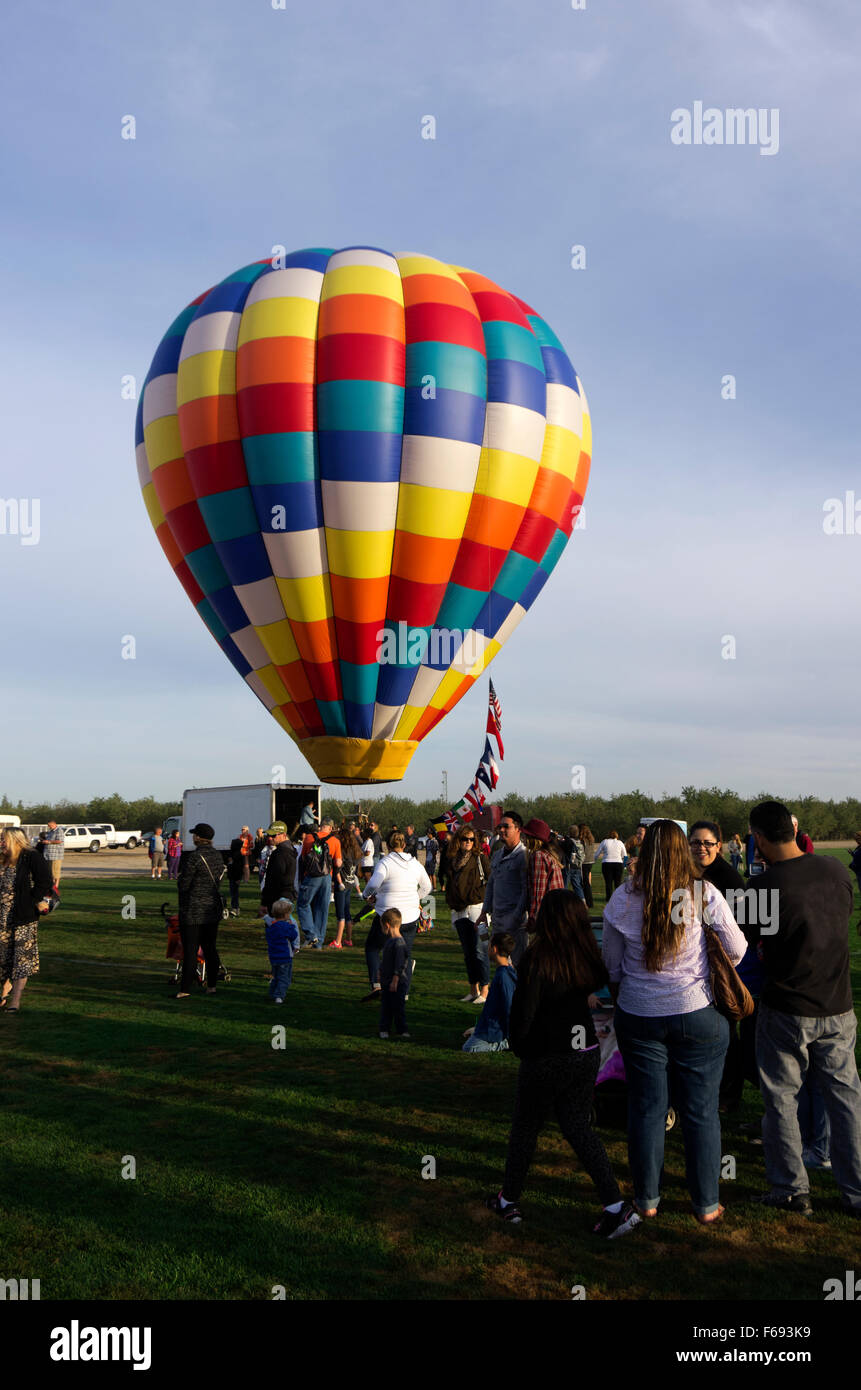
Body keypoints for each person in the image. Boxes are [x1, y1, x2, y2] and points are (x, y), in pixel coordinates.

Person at [601, 819, 747, 1224]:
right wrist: (706, 969)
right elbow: (737, 948)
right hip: (696, 1010)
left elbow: (611, 965)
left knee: (647, 1108)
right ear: (684, 851)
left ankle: (647, 1199)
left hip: (639, 1012)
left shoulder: (623, 898)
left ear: (644, 853)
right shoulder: (703, 893)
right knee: (701, 1111)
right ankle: (706, 1204)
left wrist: (630, 987)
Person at [486, 890, 639, 1238]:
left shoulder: (540, 958)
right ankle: (615, 1205)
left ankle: (508, 1198)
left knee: (526, 1127)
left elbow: (524, 1012)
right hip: (583, 1051)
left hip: (548, 1053)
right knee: (577, 1127)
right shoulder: (584, 955)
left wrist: (520, 1045)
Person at [747, 800, 861, 1216]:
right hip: (837, 1004)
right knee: (845, 1099)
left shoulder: (762, 888)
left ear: (758, 837)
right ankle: (856, 1190)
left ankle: (792, 1188)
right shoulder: (835, 871)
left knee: (781, 1098)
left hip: (786, 1007)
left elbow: (743, 942)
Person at [688, 820, 760, 1112]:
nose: (701, 848)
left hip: (723, 967)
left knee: (725, 1032)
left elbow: (743, 930)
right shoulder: (688, 873)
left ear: (719, 846)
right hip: (694, 967)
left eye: (708, 843)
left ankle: (729, 1094)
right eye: (696, 842)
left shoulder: (727, 878)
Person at [361, 832, 431, 1002]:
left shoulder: (385, 862)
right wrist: (415, 897)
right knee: (405, 954)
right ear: (404, 845)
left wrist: (366, 895)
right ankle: (403, 992)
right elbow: (427, 886)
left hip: (387, 913)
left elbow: (373, 883)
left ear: (388, 846)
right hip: (410, 915)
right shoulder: (414, 863)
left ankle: (377, 984)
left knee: (372, 947)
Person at [0, 827, 53, 1012]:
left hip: (23, 916)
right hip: (2, 916)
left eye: (4, 839)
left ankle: (15, 1001)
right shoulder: (3, 858)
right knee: (4, 956)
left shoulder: (31, 856)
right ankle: (5, 989)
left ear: (15, 840)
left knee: (21, 959)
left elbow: (45, 880)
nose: (1, 843)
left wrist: (31, 902)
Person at [176, 823, 226, 999]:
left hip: (193, 909)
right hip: (212, 908)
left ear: (198, 837)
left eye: (194, 835)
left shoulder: (194, 857)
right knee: (210, 948)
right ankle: (211, 986)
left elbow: (183, 884)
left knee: (191, 950)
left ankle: (185, 989)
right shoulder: (218, 856)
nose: (192, 837)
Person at [445, 825, 491, 1004]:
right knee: (468, 952)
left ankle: (485, 990)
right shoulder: (452, 859)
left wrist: (480, 895)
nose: (469, 843)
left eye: (472, 840)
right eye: (465, 839)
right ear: (459, 840)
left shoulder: (480, 858)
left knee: (481, 949)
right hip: (459, 910)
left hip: (477, 908)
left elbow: (490, 879)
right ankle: (474, 989)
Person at [478, 811, 528, 964]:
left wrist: (515, 917)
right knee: (499, 962)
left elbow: (526, 891)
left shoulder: (523, 856)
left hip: (514, 922)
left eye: (506, 826)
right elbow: (491, 883)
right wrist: (484, 911)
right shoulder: (498, 854)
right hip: (497, 918)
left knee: (517, 965)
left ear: (518, 829)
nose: (501, 830)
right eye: (500, 826)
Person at [462, 932, 517, 1052]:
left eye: (489, 945)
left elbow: (509, 1006)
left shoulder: (503, 976)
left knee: (469, 1048)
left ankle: (505, 1044)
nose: (487, 948)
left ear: (495, 949)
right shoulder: (505, 971)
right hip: (489, 1025)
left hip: (494, 1029)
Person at [297, 818, 342, 949]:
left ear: (320, 826)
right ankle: (319, 942)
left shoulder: (309, 838)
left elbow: (304, 857)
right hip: (327, 876)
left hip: (311, 876)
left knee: (303, 904)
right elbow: (338, 862)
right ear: (331, 828)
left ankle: (311, 935)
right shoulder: (335, 841)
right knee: (322, 909)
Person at [524, 819, 565, 933]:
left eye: (526, 836)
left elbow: (538, 892)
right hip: (556, 911)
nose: (524, 839)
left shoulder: (538, 856)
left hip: (547, 914)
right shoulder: (548, 855)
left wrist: (533, 918)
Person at [378, 907, 410, 1040]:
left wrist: (395, 980)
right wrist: (380, 971)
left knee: (398, 1007)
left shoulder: (399, 943)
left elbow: (400, 964)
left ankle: (401, 1030)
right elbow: (385, 960)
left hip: (397, 982)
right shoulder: (390, 941)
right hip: (387, 981)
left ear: (387, 925)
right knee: (386, 1006)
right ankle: (384, 1029)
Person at [329, 822, 361, 949]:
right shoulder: (356, 852)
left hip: (341, 884)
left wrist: (338, 882)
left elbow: (337, 868)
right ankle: (348, 939)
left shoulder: (342, 852)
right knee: (347, 912)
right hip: (350, 883)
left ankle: (338, 941)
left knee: (340, 914)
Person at [263, 897, 300, 1004]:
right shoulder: (286, 927)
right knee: (284, 978)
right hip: (285, 957)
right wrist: (292, 927)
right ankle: (279, 996)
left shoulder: (271, 927)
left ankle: (272, 992)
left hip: (273, 957)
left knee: (276, 977)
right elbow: (293, 936)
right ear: (285, 915)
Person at [260, 822, 298, 915]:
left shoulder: (279, 853)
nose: (270, 838)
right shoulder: (293, 850)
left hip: (277, 898)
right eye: (268, 835)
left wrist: (265, 902)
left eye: (273, 835)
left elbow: (273, 879)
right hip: (289, 896)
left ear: (284, 835)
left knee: (275, 926)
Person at [594, 830, 625, 901]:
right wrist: (625, 866)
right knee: (618, 883)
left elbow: (597, 853)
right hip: (618, 864)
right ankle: (618, 898)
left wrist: (593, 861)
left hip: (606, 864)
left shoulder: (604, 841)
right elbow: (625, 856)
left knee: (608, 883)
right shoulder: (620, 843)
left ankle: (609, 898)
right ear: (617, 836)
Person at [563, 824, 586, 901]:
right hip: (578, 866)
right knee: (577, 887)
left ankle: (563, 901)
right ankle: (583, 902)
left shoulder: (569, 842)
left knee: (564, 886)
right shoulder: (581, 841)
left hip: (569, 866)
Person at [226, 833, 245, 916]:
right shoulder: (231, 854)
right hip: (231, 876)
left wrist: (238, 878)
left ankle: (235, 908)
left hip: (235, 877)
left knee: (234, 893)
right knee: (232, 892)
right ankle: (234, 907)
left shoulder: (239, 855)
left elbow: (239, 868)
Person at [42, 820, 64, 887]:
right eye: (48, 825)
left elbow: (60, 841)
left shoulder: (59, 831)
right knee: (50, 872)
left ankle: (56, 887)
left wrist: (48, 842)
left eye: (50, 825)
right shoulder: (51, 831)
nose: (49, 827)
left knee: (56, 872)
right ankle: (52, 885)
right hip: (49, 855)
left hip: (56, 855)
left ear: (54, 824)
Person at [579, 825, 596, 908]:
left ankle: (589, 902)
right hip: (590, 862)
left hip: (584, 862)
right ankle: (588, 901)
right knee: (586, 882)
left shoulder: (582, 840)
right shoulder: (591, 839)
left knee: (585, 883)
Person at [849, 832, 861, 899]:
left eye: (857, 839)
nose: (856, 841)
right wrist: (852, 853)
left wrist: (853, 854)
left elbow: (858, 857)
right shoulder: (859, 847)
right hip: (858, 870)